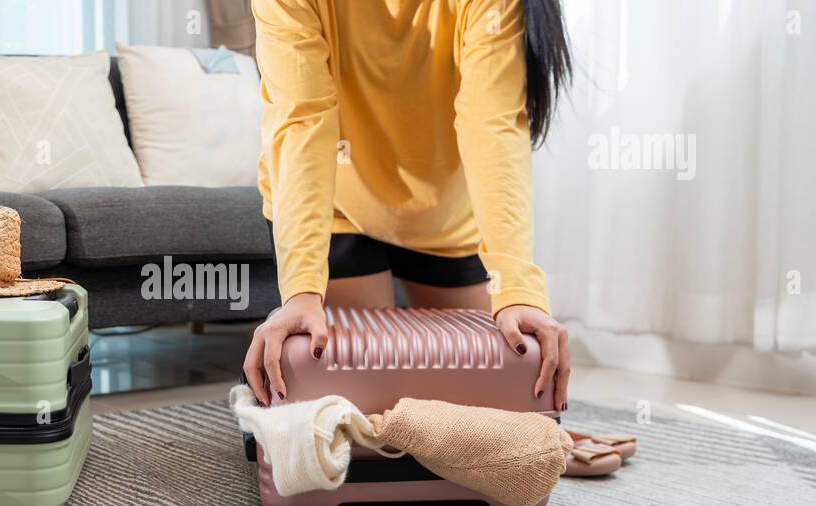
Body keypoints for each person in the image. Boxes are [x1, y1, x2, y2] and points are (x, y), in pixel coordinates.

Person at [244, 0, 573, 412]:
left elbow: (492, 125)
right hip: (336, 211)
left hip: (447, 217)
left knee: (508, 388)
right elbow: (301, 120)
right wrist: (301, 292)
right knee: (362, 403)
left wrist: (518, 289)